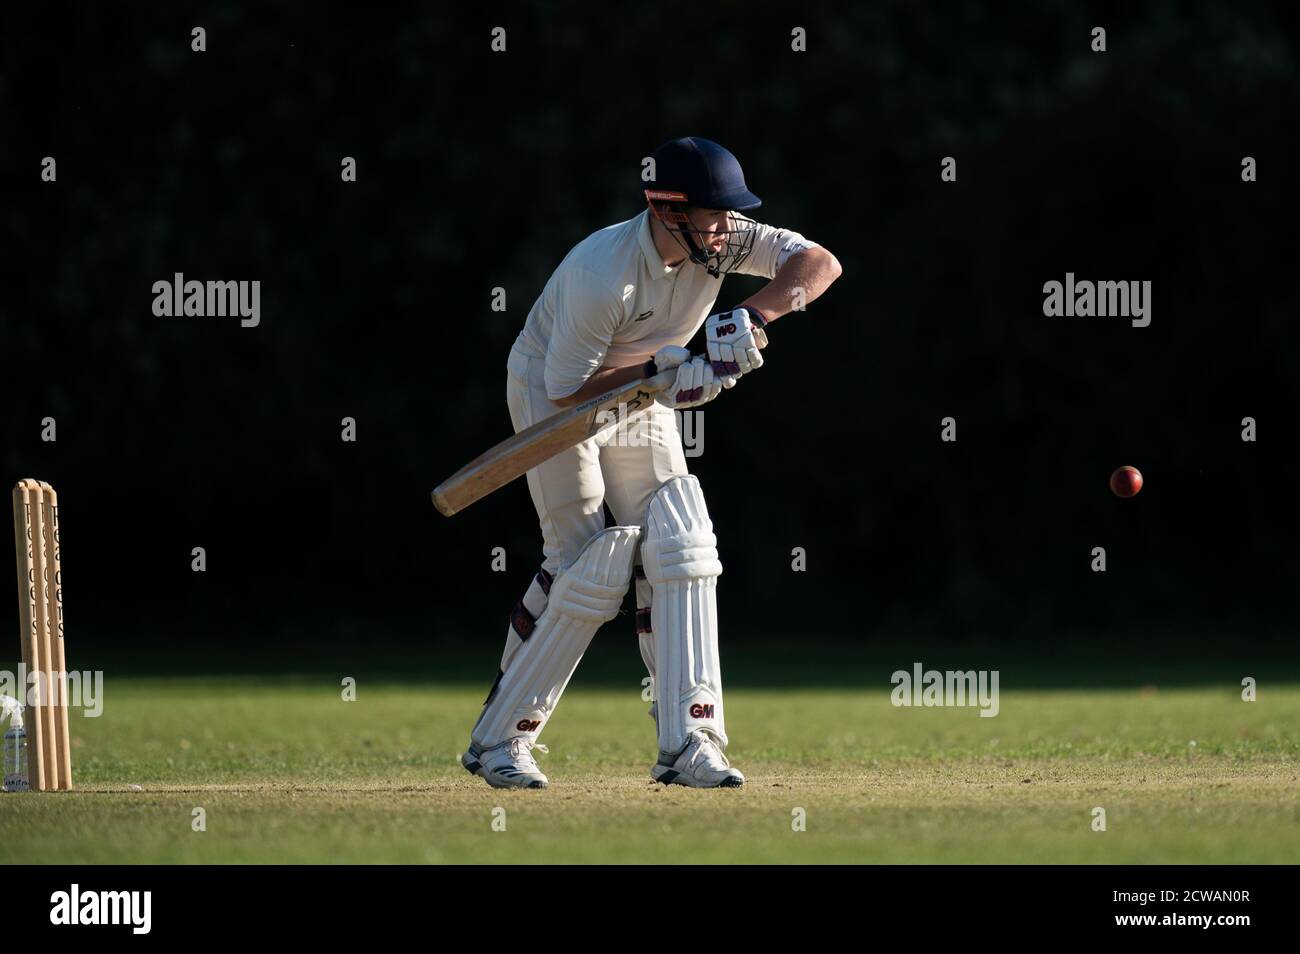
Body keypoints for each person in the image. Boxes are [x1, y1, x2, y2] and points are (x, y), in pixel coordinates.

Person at [460, 136, 842, 789]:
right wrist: (668, 373)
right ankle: (500, 742)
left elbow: (819, 262)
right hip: (554, 390)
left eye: (730, 215)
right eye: (713, 216)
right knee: (584, 560)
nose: (727, 230)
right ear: (668, 212)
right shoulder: (601, 273)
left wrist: (750, 318)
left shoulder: (727, 237)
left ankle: (690, 741)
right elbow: (568, 391)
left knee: (682, 540)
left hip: (647, 383)